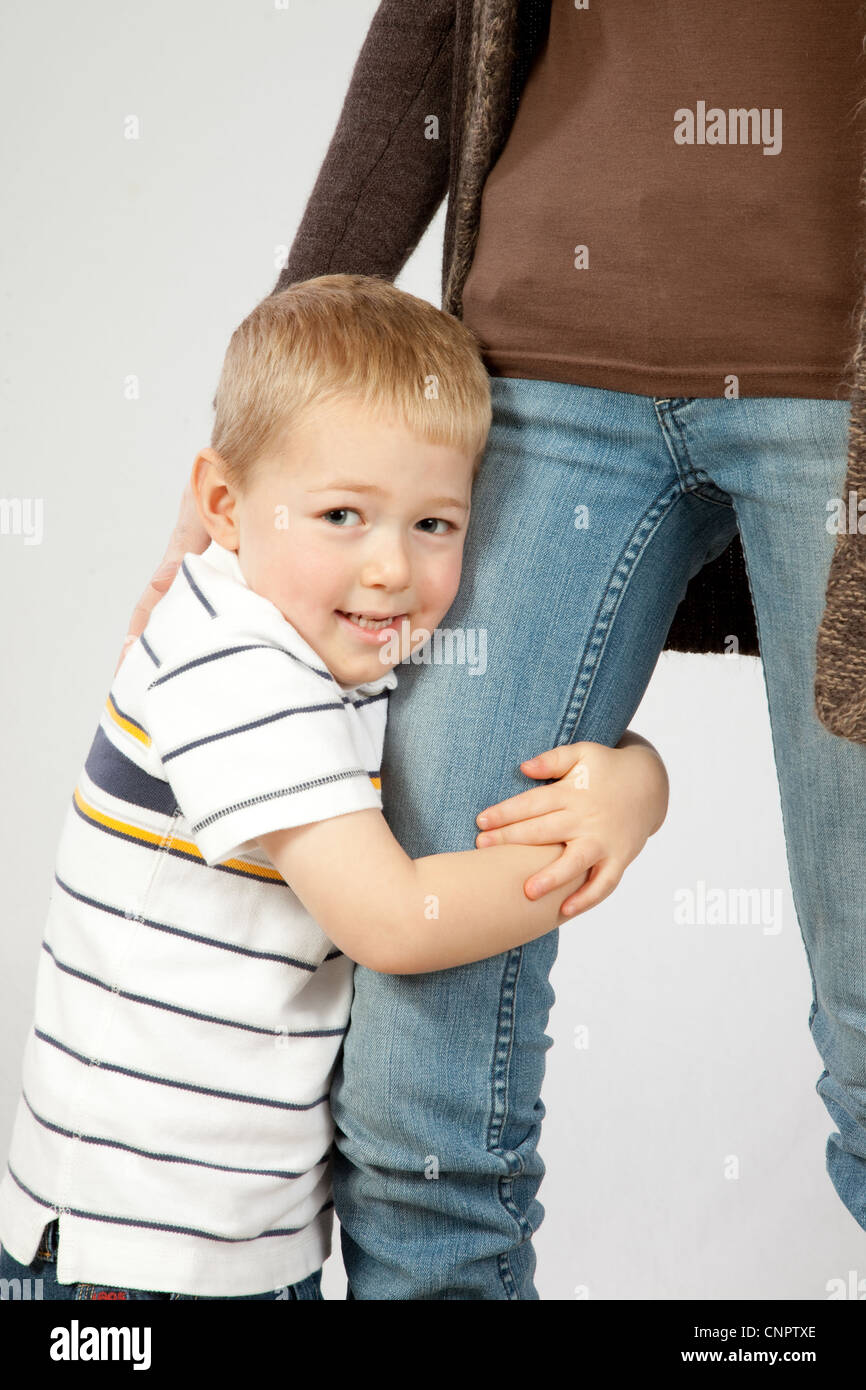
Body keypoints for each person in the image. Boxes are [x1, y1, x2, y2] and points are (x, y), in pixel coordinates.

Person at [119, 0, 866, 1299]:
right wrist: (271, 400)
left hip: (839, 389)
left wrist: (633, 793)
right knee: (425, 1083)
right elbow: (426, 26)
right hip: (533, 375)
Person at [0, 275, 669, 1300]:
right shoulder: (238, 666)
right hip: (141, 1259)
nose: (390, 568)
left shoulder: (314, 625)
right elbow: (393, 922)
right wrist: (600, 835)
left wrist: (639, 776)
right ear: (223, 504)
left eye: (434, 525)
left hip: (222, 1236)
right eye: (342, 513)